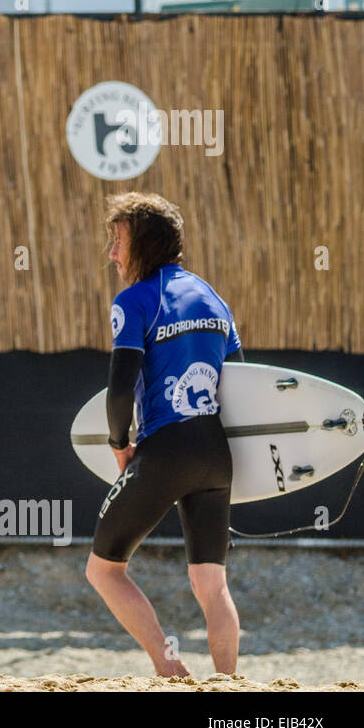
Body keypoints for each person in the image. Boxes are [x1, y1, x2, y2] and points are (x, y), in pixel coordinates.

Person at [86, 192, 243, 677]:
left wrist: (119, 444)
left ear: (146, 245)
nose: (112, 253)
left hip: (165, 449)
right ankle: (228, 685)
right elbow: (241, 388)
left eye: (119, 242)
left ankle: (170, 669)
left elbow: (119, 390)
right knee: (211, 583)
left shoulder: (134, 301)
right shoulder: (214, 298)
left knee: (104, 569)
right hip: (215, 454)